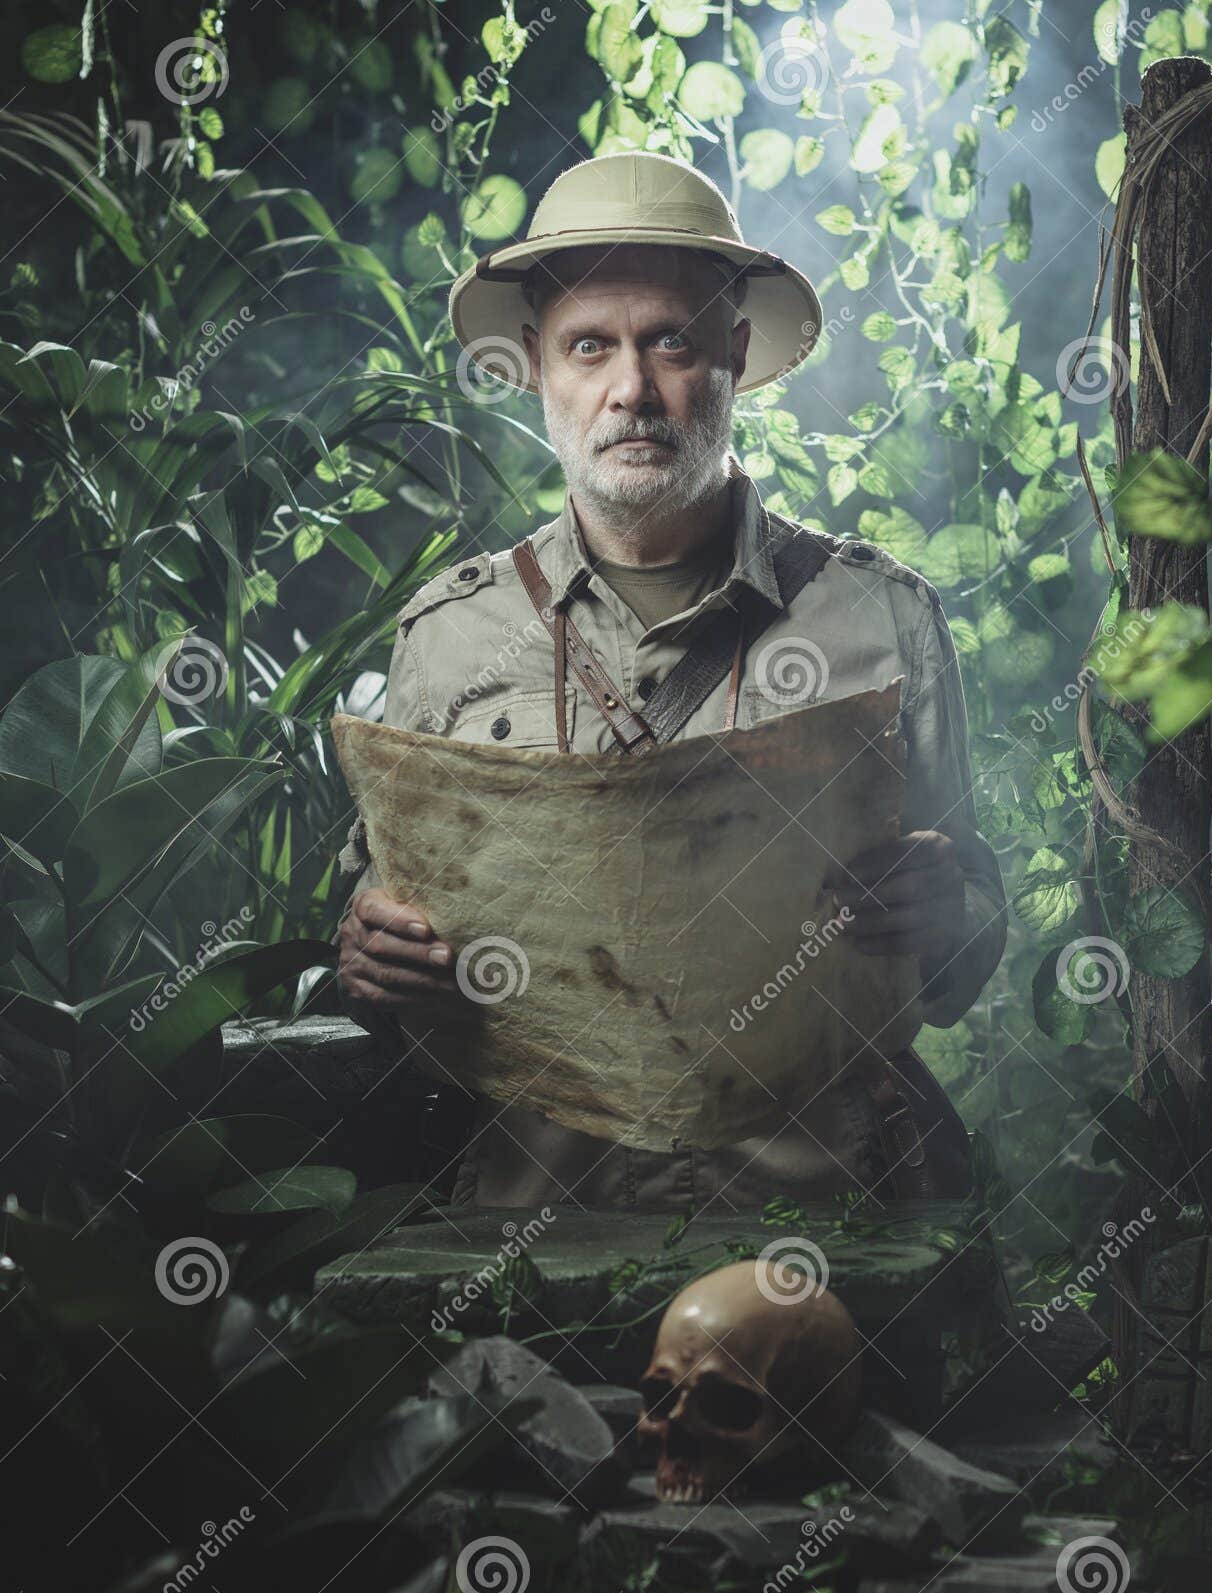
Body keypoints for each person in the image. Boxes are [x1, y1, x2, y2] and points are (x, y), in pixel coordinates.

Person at [336, 152, 1005, 1212]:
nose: (631, 391)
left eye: (672, 343)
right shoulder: (452, 637)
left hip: (819, 1246)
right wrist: (365, 953)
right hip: (533, 1241)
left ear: (734, 353)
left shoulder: (879, 618)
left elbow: (960, 944)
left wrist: (947, 907)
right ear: (535, 365)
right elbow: (383, 931)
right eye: (589, 346)